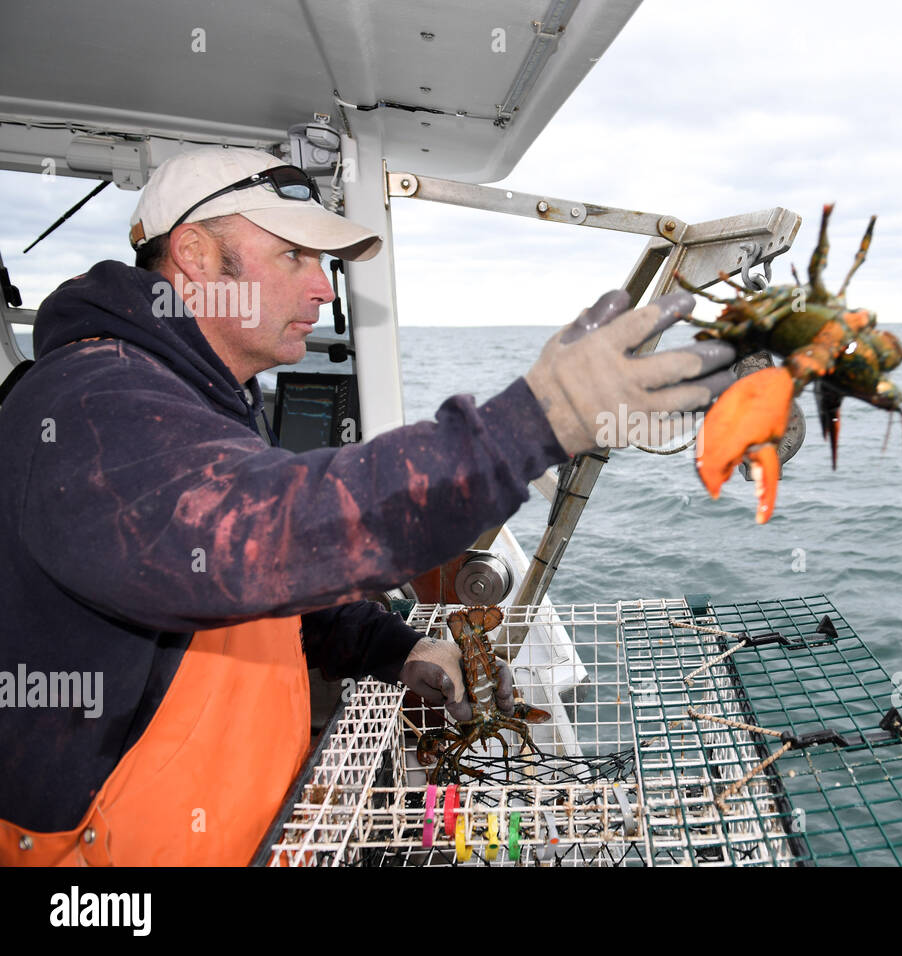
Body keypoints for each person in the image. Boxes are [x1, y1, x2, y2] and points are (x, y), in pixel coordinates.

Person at [0, 147, 734, 865]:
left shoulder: (202, 394)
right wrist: (532, 422)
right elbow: (256, 539)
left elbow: (263, 593)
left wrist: (401, 649)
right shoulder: (92, 403)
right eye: (294, 257)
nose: (323, 289)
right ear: (193, 254)